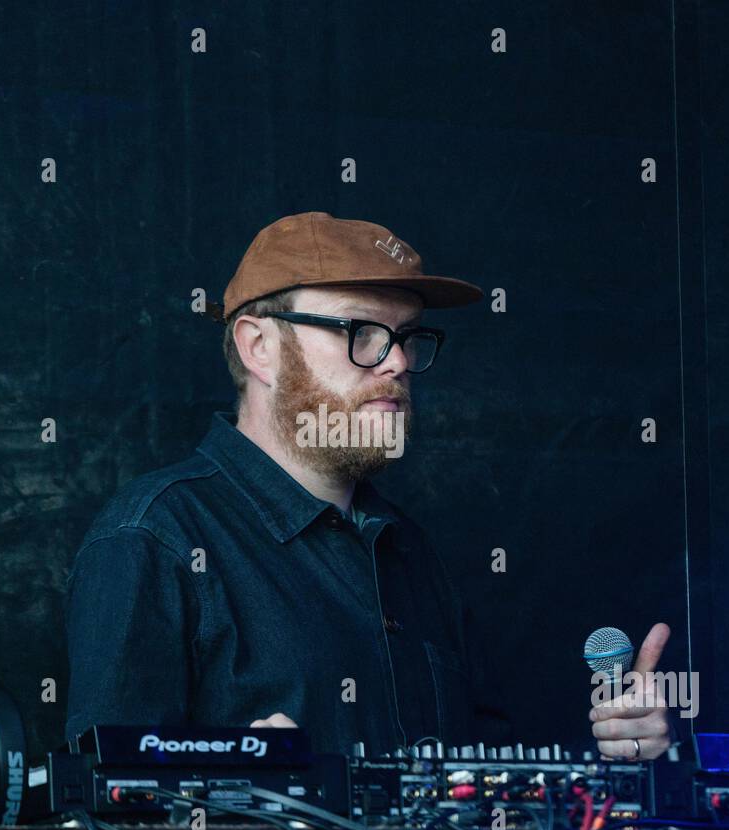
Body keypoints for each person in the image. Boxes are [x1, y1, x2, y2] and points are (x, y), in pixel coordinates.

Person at [63, 211, 672, 760]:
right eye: (361, 331)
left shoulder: (411, 552)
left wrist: (615, 760)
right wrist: (234, 793)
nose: (398, 362)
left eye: (407, 336)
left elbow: (484, 795)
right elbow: (111, 816)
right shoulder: (154, 538)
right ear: (259, 346)